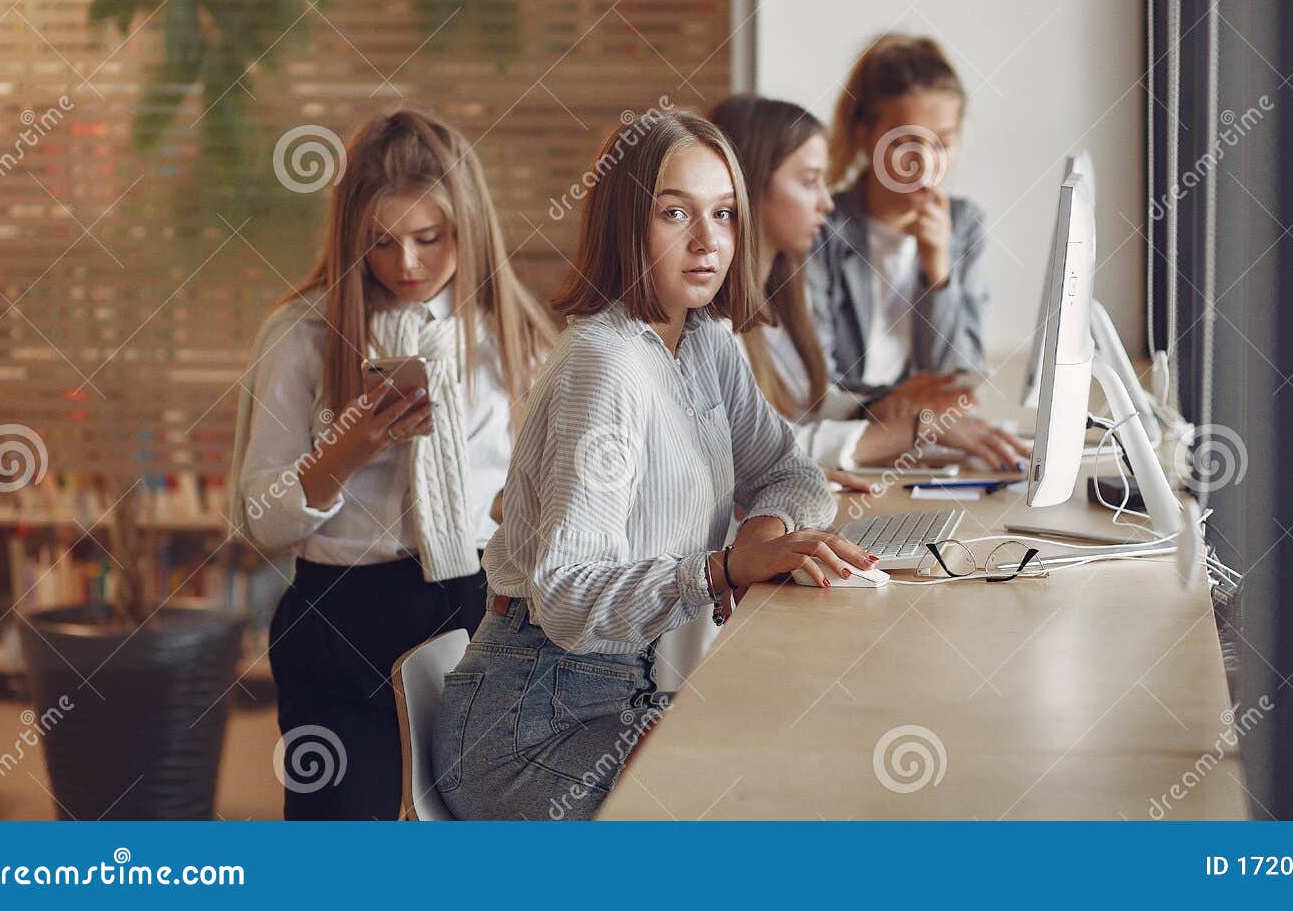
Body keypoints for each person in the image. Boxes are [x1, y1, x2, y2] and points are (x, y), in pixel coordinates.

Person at [431, 108, 875, 820]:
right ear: (623, 225)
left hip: (618, 694)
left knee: (793, 753)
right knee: (753, 795)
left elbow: (794, 475)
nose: (708, 241)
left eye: (724, 214)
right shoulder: (606, 365)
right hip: (527, 722)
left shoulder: (704, 341)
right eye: (675, 213)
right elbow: (568, 595)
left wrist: (760, 532)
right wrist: (722, 568)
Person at [228, 109, 554, 820]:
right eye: (380, 242)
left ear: (468, 225)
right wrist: (347, 452)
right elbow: (260, 521)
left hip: (477, 602)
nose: (405, 263)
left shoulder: (513, 334)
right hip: (340, 611)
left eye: (429, 238)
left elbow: (535, 496)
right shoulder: (302, 334)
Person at [712, 93, 1030, 474]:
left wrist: (880, 407)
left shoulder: (782, 298)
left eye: (942, 143)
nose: (827, 203)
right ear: (748, 187)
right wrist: (917, 429)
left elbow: (808, 406)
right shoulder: (713, 322)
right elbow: (763, 446)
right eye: (810, 181)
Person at [809, 33, 987, 394]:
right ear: (864, 135)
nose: (924, 162)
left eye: (942, 142)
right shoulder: (822, 225)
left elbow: (958, 380)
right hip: (847, 438)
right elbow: (815, 384)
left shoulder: (964, 224)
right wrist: (900, 409)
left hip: (925, 438)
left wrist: (938, 271)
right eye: (903, 142)